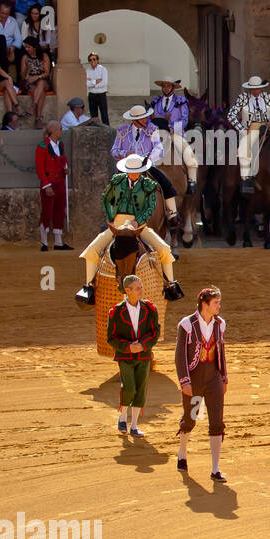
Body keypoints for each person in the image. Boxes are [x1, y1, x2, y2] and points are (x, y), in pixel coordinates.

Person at [75, 155, 182, 306]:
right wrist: (110, 217)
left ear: (141, 171)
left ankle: (170, 284)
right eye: (130, 171)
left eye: (136, 171)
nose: (133, 174)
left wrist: (138, 221)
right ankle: (88, 288)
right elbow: (105, 198)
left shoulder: (149, 185)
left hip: (138, 226)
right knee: (91, 250)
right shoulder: (117, 181)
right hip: (117, 224)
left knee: (164, 249)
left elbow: (150, 207)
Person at [175, 286, 229, 481]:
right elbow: (180, 356)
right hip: (195, 380)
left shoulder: (220, 324)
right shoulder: (187, 324)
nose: (219, 306)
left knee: (217, 420)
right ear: (204, 304)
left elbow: (221, 353)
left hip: (213, 379)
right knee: (191, 417)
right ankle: (182, 453)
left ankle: (215, 469)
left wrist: (224, 377)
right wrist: (185, 381)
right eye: (216, 303)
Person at [111, 105, 181, 229]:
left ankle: (172, 214)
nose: (145, 120)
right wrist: (124, 154)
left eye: (145, 117)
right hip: (127, 168)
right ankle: (111, 215)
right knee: (112, 188)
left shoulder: (152, 129)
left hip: (146, 166)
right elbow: (114, 150)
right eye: (142, 118)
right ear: (134, 120)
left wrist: (146, 159)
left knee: (165, 183)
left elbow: (159, 149)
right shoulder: (122, 131)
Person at [107, 274, 161, 436]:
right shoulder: (116, 312)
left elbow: (155, 332)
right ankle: (123, 417)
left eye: (141, 287)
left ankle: (134, 425)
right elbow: (111, 338)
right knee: (129, 387)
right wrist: (128, 347)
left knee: (141, 389)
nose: (141, 291)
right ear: (127, 290)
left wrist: (142, 345)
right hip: (125, 356)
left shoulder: (150, 309)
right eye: (138, 288)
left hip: (144, 356)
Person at [228, 76, 270, 194]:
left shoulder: (267, 97)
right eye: (253, 89)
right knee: (245, 150)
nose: (255, 91)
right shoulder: (243, 98)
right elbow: (231, 115)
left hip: (268, 127)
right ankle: (247, 179)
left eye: (258, 89)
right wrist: (242, 129)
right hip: (251, 128)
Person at [36, 120, 70, 251]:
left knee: (60, 211)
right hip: (49, 184)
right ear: (54, 131)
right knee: (47, 212)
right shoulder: (42, 146)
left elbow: (63, 160)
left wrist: (66, 169)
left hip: (60, 182)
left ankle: (58, 242)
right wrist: (46, 185)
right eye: (60, 129)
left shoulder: (60, 145)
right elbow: (40, 168)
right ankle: (43, 242)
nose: (61, 131)